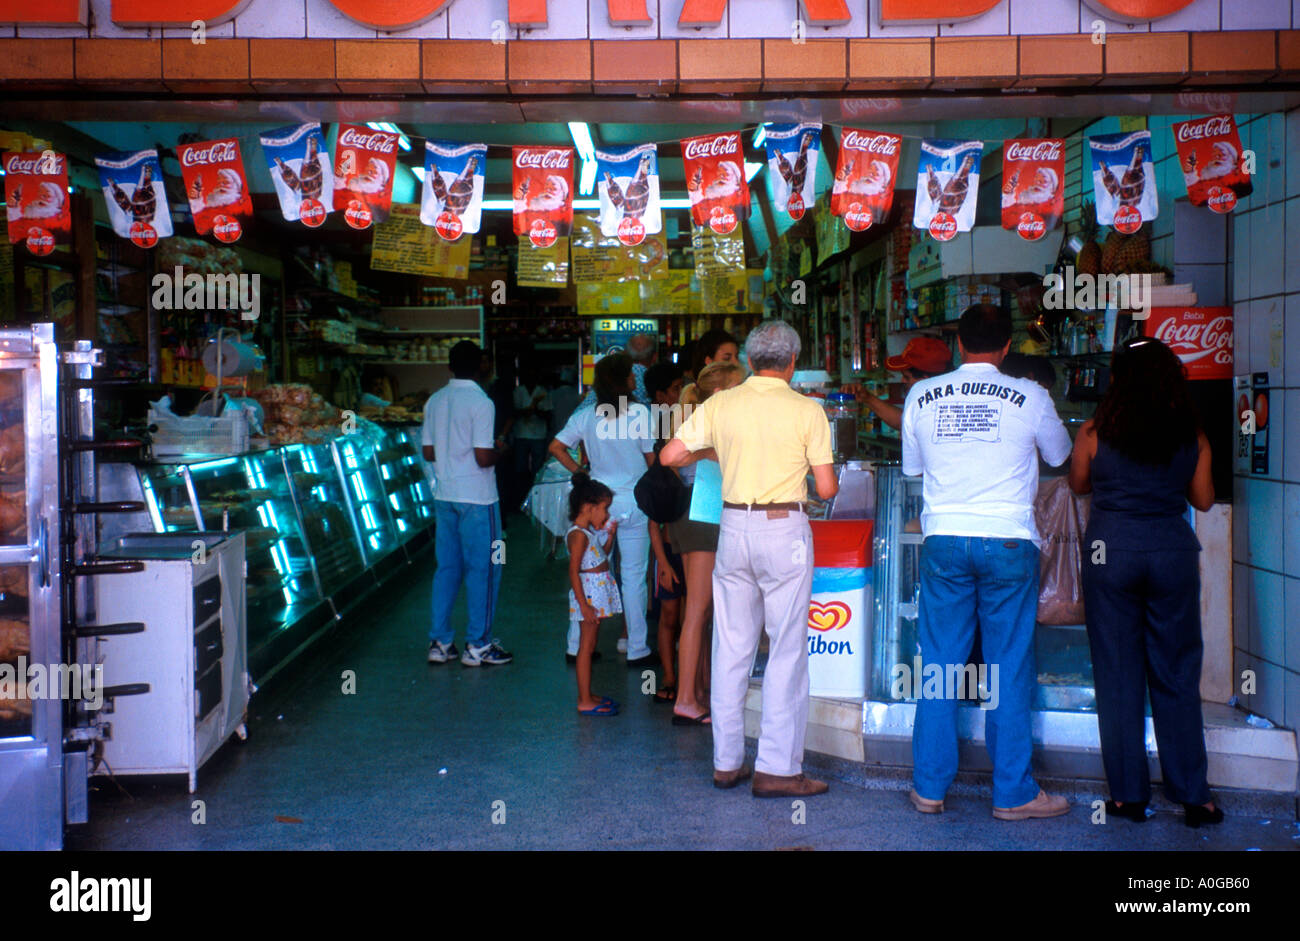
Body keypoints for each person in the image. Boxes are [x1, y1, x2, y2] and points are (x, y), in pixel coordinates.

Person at [902, 304, 1073, 820]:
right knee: (1009, 666)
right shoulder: (1031, 396)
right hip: (1007, 543)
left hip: (945, 541)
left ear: (958, 343)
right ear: (1005, 348)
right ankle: (1013, 793)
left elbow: (913, 469)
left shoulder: (920, 395)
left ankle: (929, 787)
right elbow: (1062, 456)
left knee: (939, 664)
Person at [661, 320, 838, 798]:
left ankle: (726, 762)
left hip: (733, 527)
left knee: (732, 645)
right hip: (784, 531)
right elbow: (825, 488)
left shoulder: (721, 402)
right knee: (784, 649)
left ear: (750, 360)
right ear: (793, 362)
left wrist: (722, 451)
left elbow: (670, 456)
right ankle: (777, 768)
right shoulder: (808, 410)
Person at [1068, 337, 1222, 828]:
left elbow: (1077, 485)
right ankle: (1194, 797)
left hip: (1109, 552)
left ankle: (1128, 797)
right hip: (1171, 554)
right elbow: (1202, 501)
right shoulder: (1192, 438)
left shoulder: (1094, 432)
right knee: (1176, 672)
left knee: (1117, 673)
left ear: (1118, 381)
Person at [550, 353, 656, 667]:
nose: (634, 380)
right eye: (630, 376)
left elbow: (556, 446)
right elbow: (651, 460)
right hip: (635, 504)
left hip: (597, 507)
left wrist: (579, 472)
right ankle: (637, 648)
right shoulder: (640, 413)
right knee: (634, 578)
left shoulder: (587, 416)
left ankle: (576, 645)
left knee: (589, 573)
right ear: (625, 380)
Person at [421, 340, 514, 667]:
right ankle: (479, 644)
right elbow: (483, 456)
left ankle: (440, 641)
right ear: (481, 367)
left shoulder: (434, 401)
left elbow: (428, 453)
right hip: (478, 498)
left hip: (444, 495)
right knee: (485, 570)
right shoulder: (481, 402)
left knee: (446, 569)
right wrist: (502, 449)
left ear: (449, 366)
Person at [663, 360, 745, 725]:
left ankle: (695, 691)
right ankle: (685, 700)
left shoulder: (700, 419)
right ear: (721, 392)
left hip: (696, 518)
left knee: (699, 612)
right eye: (739, 387)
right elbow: (678, 459)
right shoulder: (710, 423)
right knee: (696, 612)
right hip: (703, 516)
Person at [644, 363, 687, 703]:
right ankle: (670, 676)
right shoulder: (664, 471)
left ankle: (684, 678)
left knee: (688, 618)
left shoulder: (698, 468)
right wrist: (662, 563)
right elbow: (652, 523)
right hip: (671, 554)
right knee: (670, 617)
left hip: (691, 554)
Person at [566, 473, 623, 717]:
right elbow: (574, 571)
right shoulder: (578, 535)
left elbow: (600, 558)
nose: (607, 514)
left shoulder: (588, 533)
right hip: (588, 596)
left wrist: (610, 537)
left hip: (594, 594)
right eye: (604, 509)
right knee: (586, 647)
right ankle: (584, 699)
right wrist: (584, 605)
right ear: (588, 508)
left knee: (591, 646)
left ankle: (587, 695)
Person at [843, 335, 952, 432]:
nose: (902, 381)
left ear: (925, 380)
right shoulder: (926, 404)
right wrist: (867, 398)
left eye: (907, 377)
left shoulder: (947, 410)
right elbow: (903, 421)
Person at [577, 333, 657, 411]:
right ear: (654, 357)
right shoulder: (655, 383)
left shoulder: (609, 377)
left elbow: (578, 415)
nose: (634, 377)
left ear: (624, 353)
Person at [512, 363, 552, 509]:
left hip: (538, 435)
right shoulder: (518, 391)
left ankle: (536, 500)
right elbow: (515, 412)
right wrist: (532, 408)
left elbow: (548, 413)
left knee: (537, 469)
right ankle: (521, 499)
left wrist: (535, 410)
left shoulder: (542, 391)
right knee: (520, 469)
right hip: (521, 434)